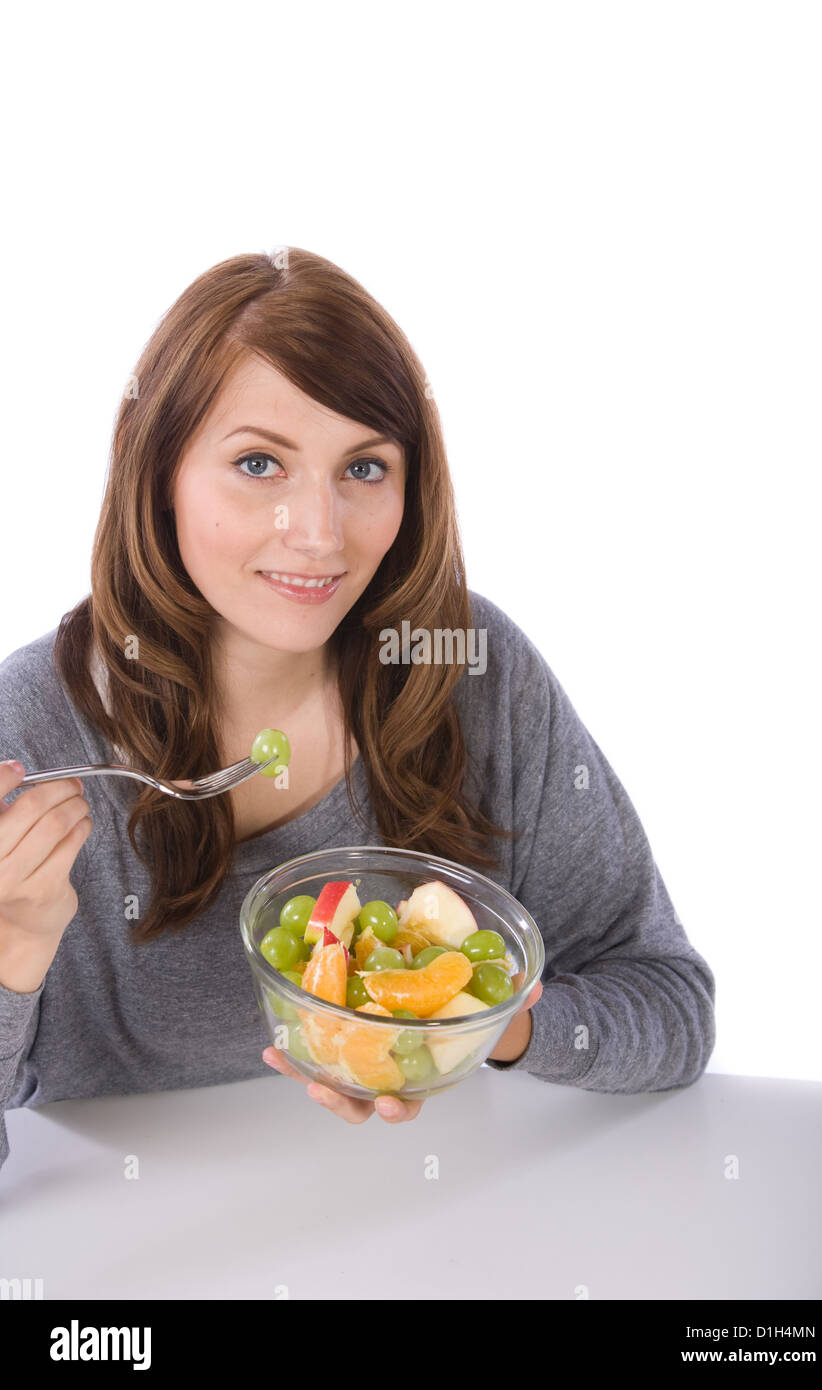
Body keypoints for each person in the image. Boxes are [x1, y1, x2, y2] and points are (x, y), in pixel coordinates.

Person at [0, 248, 715, 1165]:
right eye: (259, 463)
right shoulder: (36, 728)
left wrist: (474, 1030)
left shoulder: (466, 668)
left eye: (365, 469)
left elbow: (670, 1008)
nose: (320, 533)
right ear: (158, 473)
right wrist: (14, 948)